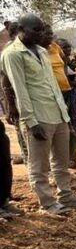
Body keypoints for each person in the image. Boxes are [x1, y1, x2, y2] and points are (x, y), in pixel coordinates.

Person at [2, 14, 76, 214]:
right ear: (22, 29)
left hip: (57, 113)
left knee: (61, 160)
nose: (41, 34)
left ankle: (65, 194)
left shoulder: (42, 51)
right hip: (37, 116)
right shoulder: (12, 54)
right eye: (36, 30)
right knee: (39, 165)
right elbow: (19, 89)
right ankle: (48, 203)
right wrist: (31, 122)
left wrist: (65, 116)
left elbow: (52, 84)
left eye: (42, 29)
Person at [43, 27, 76, 170]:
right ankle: (62, 162)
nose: (49, 36)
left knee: (71, 127)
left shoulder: (55, 48)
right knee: (58, 129)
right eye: (46, 33)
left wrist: (67, 79)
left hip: (66, 94)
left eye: (50, 33)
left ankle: (69, 159)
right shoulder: (37, 52)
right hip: (52, 96)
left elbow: (64, 68)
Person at [0, 21, 27, 164]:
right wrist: (10, 106)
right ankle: (29, 161)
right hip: (16, 99)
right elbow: (5, 81)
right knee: (22, 132)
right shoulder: (10, 50)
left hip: (25, 98)